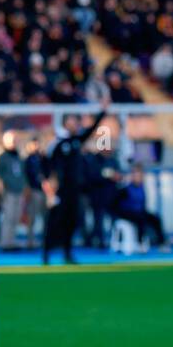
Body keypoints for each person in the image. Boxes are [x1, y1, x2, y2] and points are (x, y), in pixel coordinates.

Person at [42, 97, 108, 265]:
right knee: (55, 221)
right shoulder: (57, 144)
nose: (75, 124)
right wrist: (49, 183)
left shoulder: (77, 141)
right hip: (60, 190)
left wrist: (103, 111)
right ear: (65, 123)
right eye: (72, 120)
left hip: (74, 190)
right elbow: (46, 165)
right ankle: (46, 253)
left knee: (72, 221)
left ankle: (67, 252)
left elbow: (91, 129)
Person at [113, 165, 169, 250]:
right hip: (127, 213)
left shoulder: (142, 188)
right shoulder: (125, 189)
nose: (138, 177)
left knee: (155, 218)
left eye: (140, 175)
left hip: (139, 212)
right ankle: (140, 243)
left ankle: (162, 243)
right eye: (136, 175)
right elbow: (117, 205)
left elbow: (142, 204)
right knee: (140, 219)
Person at [0, 129, 26, 251]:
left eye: (16, 140)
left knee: (15, 217)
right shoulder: (1, 154)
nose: (14, 142)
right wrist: (2, 187)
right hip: (8, 191)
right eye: (12, 140)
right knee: (8, 217)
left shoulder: (18, 155)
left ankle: (12, 241)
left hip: (18, 191)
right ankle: (5, 243)